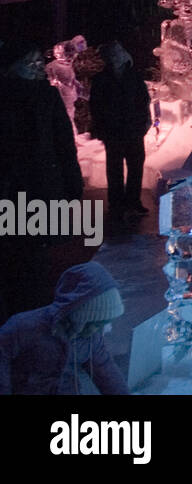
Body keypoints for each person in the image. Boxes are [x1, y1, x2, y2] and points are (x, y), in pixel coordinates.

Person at [0, 40, 84, 320]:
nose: (37, 68)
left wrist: (72, 185)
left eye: (39, 62)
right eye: (30, 63)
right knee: (17, 254)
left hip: (42, 186)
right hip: (13, 189)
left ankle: (35, 313)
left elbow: (64, 144)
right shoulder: (7, 98)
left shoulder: (46, 97)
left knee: (38, 254)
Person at [0, 262, 130, 394]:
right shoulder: (25, 327)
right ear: (81, 317)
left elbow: (105, 371)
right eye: (97, 324)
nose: (101, 330)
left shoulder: (89, 339)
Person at [90, 41, 151, 222]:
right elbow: (96, 105)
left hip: (133, 129)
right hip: (113, 131)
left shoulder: (134, 77)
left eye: (118, 54)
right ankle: (116, 203)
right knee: (114, 167)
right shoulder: (101, 79)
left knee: (135, 166)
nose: (115, 58)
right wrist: (101, 127)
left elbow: (143, 101)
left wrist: (143, 124)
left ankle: (133, 201)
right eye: (112, 55)